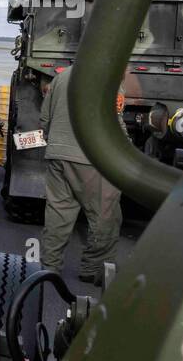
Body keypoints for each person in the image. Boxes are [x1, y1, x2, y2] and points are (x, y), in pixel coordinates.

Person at [38, 66, 122, 286]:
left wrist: (57, 142)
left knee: (59, 213)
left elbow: (45, 119)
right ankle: (92, 269)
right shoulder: (109, 78)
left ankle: (49, 267)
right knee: (106, 215)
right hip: (92, 157)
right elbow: (116, 123)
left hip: (58, 154)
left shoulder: (61, 77)